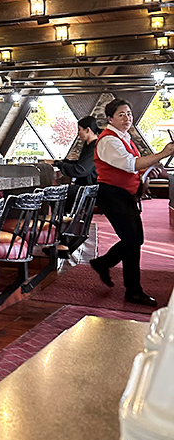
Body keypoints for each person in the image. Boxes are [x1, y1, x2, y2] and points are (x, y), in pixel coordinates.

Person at [89, 98, 174, 307]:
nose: (127, 118)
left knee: (135, 239)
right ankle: (132, 290)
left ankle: (103, 263)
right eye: (121, 115)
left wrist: (146, 171)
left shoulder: (124, 137)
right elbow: (129, 164)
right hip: (112, 195)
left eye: (129, 113)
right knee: (132, 240)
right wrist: (163, 154)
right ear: (110, 118)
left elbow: (135, 166)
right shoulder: (108, 140)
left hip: (125, 195)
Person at [53, 115, 99, 187]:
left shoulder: (95, 146)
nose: (78, 133)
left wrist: (58, 164)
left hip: (89, 187)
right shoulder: (88, 145)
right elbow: (80, 163)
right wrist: (62, 162)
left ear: (87, 130)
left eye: (79, 130)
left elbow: (81, 170)